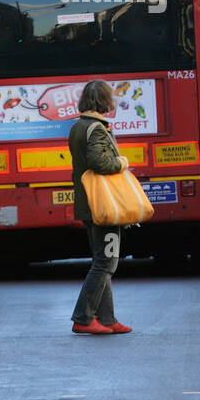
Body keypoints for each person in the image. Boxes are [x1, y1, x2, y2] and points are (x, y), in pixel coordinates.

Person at [68, 80, 133, 336]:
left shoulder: (78, 126)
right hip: (104, 205)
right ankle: (83, 317)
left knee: (102, 260)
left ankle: (107, 319)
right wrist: (121, 163)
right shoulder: (96, 128)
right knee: (106, 262)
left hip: (89, 203)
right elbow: (98, 161)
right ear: (105, 101)